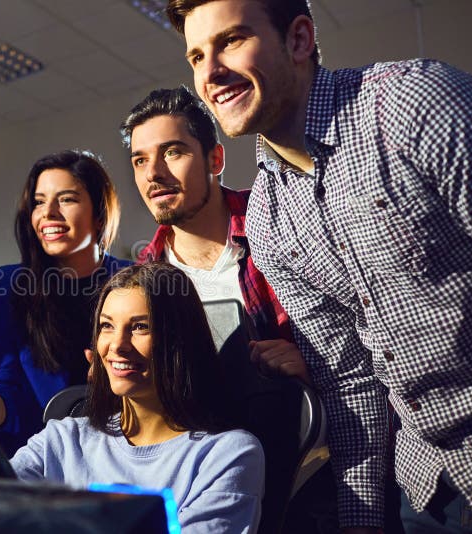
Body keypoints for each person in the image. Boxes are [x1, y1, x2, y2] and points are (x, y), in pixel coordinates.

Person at [166, 0, 472, 532]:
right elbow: (350, 386)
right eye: (197, 56)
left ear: (299, 39)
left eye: (232, 41)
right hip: (430, 490)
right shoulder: (267, 218)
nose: (210, 73)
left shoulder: (411, 105)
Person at [0, 262, 265, 533]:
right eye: (108, 326)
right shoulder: (64, 440)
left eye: (141, 327)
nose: (118, 345)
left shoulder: (226, 454)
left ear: (178, 341)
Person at [121, 83, 336, 532]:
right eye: (140, 160)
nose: (153, 173)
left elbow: (363, 341)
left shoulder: (279, 228)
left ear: (215, 160)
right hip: (202, 490)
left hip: (309, 481)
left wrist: (313, 364)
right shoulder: (145, 280)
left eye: (172, 152)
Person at [0, 150, 131, 456]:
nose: (48, 213)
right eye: (39, 202)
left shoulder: (133, 281)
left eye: (66, 199)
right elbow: (6, 378)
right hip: (36, 457)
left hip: (119, 455)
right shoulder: (10, 284)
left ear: (99, 214)